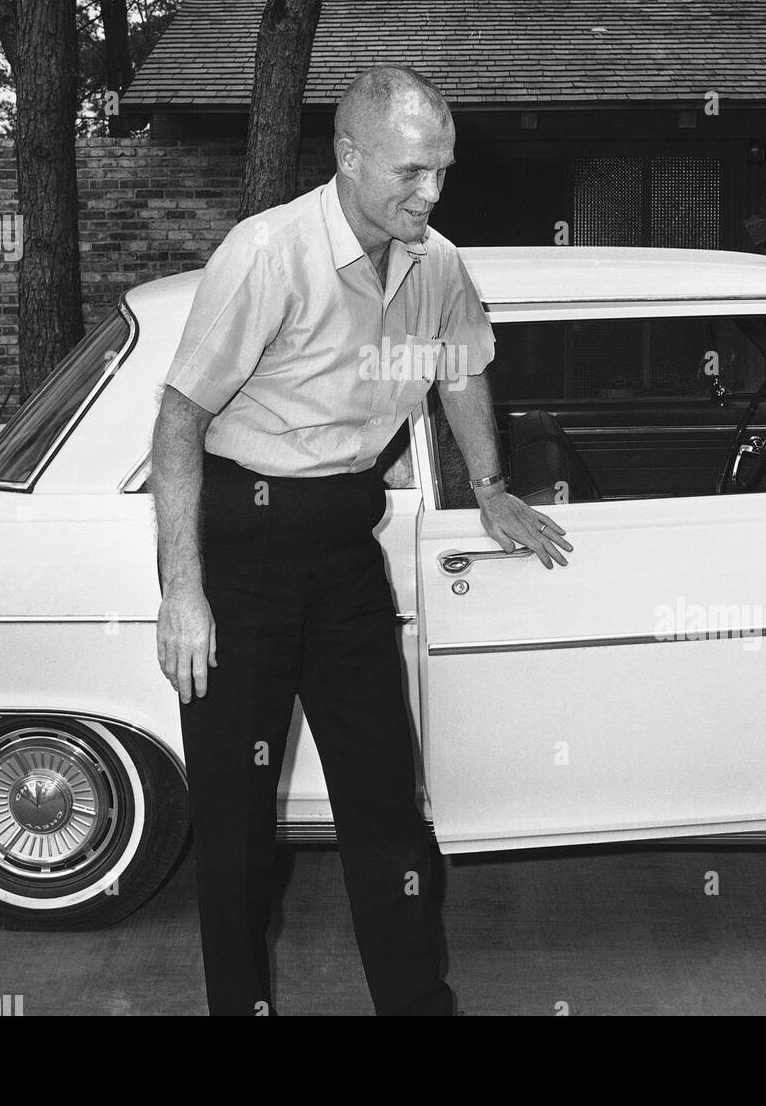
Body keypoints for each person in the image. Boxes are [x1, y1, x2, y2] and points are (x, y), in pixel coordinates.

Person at [152, 65, 571, 1016]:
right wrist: (183, 590)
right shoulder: (267, 255)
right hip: (239, 547)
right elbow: (178, 417)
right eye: (412, 172)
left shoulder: (437, 263)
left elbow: (460, 368)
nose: (432, 192)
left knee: (387, 813)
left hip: (344, 544)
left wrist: (492, 487)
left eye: (443, 171)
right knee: (238, 831)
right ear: (348, 156)